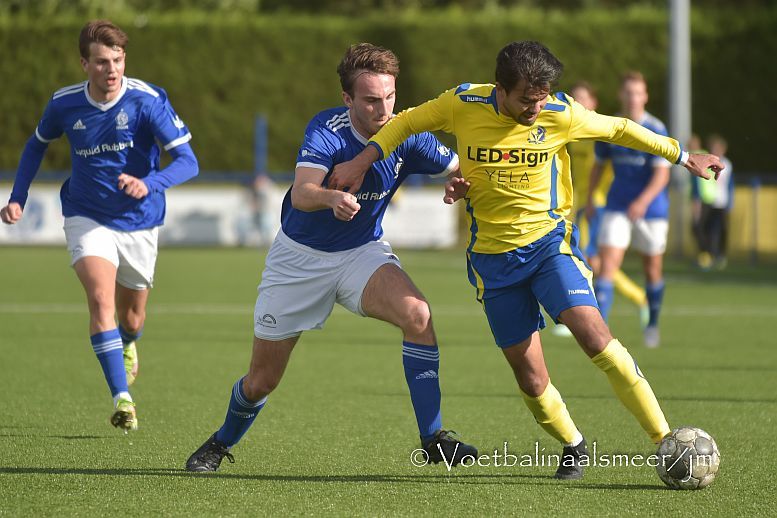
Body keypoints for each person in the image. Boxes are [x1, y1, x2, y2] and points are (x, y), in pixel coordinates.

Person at [329, 41, 723, 479]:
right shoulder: (462, 104)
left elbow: (619, 129)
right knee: (531, 378)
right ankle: (574, 444)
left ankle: (665, 440)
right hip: (493, 262)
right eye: (525, 100)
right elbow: (404, 123)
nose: (536, 109)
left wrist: (683, 156)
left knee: (594, 336)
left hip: (548, 245)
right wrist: (362, 161)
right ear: (500, 89)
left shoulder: (560, 112)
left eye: (541, 98)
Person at [185, 43, 476, 472]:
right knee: (262, 380)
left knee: (418, 315)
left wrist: (461, 184)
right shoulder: (328, 129)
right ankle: (220, 442)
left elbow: (462, 168)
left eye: (390, 96)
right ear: (347, 99)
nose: (384, 109)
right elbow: (303, 193)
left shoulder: (408, 133)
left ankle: (433, 438)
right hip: (299, 260)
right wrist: (331, 198)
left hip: (361, 253)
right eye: (371, 100)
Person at [0, 20, 199, 431]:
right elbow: (36, 145)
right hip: (85, 213)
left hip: (140, 220)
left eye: (118, 60)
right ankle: (122, 399)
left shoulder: (146, 101)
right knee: (99, 300)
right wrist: (18, 196)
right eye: (103, 62)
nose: (112, 70)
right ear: (84, 64)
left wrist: (149, 183)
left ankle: (128, 342)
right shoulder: (64, 104)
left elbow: (188, 162)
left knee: (133, 319)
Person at [551, 81, 647, 338]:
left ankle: (582, 315)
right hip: (582, 203)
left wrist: (597, 198)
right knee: (592, 260)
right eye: (575, 97)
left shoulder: (599, 130)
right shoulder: (572, 131)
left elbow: (610, 169)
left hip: (600, 204)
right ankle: (637, 298)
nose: (578, 101)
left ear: (594, 102)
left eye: (583, 97)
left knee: (586, 259)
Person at [587, 71, 670, 348]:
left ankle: (652, 323)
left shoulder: (656, 129)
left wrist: (643, 201)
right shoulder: (610, 127)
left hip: (652, 210)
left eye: (638, 93)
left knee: (652, 269)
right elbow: (599, 166)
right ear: (620, 95)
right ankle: (599, 335)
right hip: (617, 206)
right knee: (607, 267)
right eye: (629, 92)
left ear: (645, 96)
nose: (633, 98)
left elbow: (662, 174)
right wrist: (591, 198)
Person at [691, 134, 734, 270]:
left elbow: (729, 185)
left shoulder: (727, 164)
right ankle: (709, 255)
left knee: (720, 230)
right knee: (707, 230)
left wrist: (730, 202)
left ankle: (719, 255)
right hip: (710, 201)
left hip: (721, 202)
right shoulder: (708, 160)